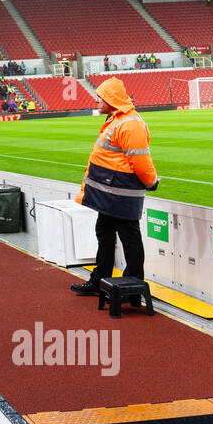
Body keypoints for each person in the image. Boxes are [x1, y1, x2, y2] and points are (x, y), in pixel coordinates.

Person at [71, 78, 159, 295]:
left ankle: (133, 285)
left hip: (121, 194)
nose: (97, 100)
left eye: (100, 96)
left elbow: (140, 160)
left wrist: (151, 182)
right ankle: (100, 280)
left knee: (129, 239)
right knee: (105, 232)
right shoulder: (118, 119)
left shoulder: (130, 123)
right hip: (111, 194)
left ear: (111, 99)